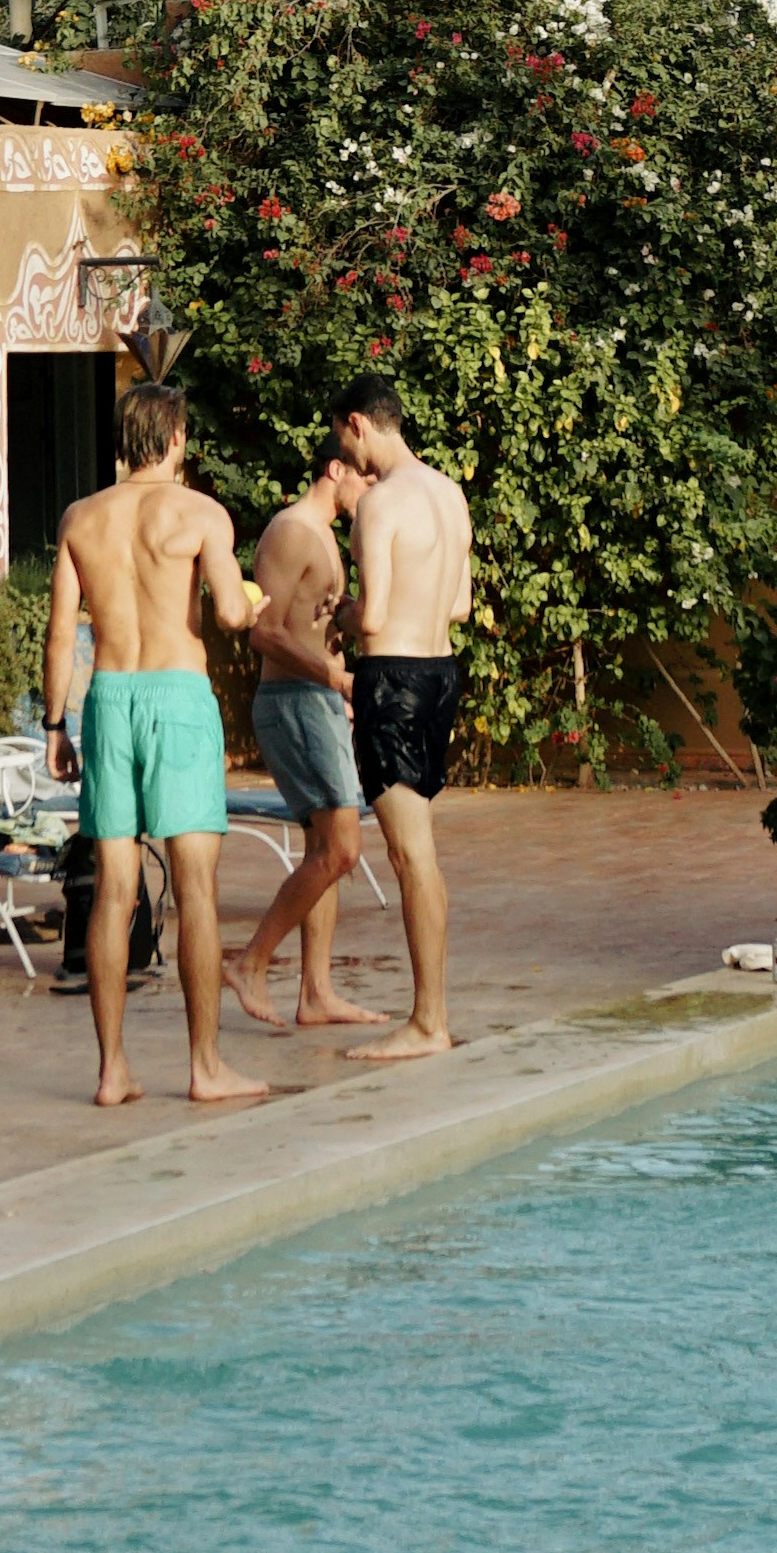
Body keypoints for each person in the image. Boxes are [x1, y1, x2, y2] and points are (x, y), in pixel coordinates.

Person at [42, 385, 272, 1112]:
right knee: (195, 886)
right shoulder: (201, 513)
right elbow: (233, 612)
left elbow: (58, 635)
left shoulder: (81, 518)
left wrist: (55, 724)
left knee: (114, 889)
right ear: (174, 437)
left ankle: (112, 1070)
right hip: (176, 696)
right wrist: (258, 598)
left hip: (108, 698)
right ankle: (205, 1065)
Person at [226, 431, 385, 1033]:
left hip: (315, 697)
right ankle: (251, 961)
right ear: (336, 468)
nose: (370, 487)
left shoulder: (325, 536)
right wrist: (335, 680)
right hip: (296, 699)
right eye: (364, 476)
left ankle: (315, 992)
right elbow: (262, 633)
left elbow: (307, 623)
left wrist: (346, 622)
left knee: (326, 850)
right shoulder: (292, 531)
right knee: (343, 847)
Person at [334, 379, 473, 1064]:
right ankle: (430, 1014)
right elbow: (460, 605)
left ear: (357, 424)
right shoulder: (449, 492)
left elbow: (377, 615)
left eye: (342, 438)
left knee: (411, 855)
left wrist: (339, 610)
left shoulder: (379, 505)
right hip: (442, 673)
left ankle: (427, 1020)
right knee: (417, 852)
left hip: (392, 680)